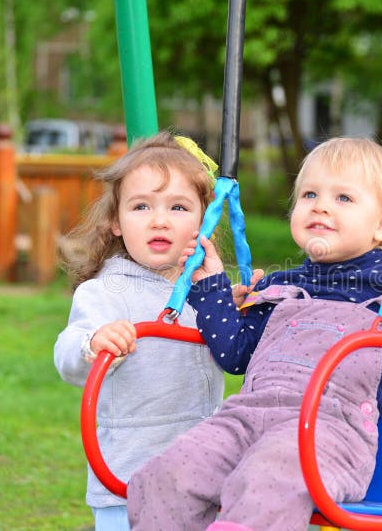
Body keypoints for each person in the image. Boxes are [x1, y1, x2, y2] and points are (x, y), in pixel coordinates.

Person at [127, 137, 382, 531]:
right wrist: (213, 285)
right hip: (245, 420)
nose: (320, 205)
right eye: (309, 194)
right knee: (168, 473)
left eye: (343, 199)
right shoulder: (280, 286)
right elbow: (235, 353)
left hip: (328, 434)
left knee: (269, 474)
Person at [54, 131, 228, 531]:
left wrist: (234, 309)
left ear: (206, 221)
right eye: (141, 206)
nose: (159, 220)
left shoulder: (205, 290)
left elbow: (232, 354)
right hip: (128, 481)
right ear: (115, 220)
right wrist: (93, 344)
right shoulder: (106, 292)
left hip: (203, 479)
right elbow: (66, 356)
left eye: (179, 207)